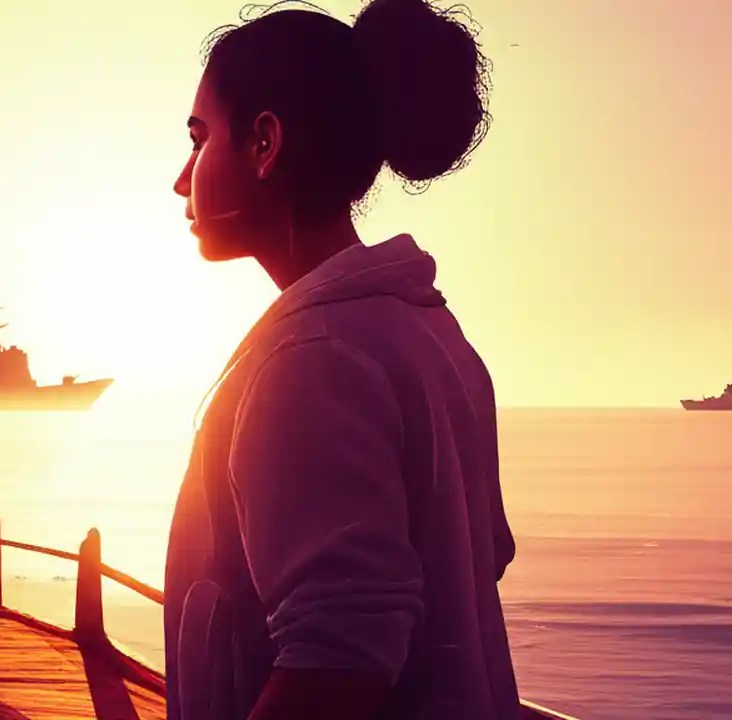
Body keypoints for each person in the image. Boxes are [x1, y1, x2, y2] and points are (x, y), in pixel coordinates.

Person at [164, 0, 520, 717]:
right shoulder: (428, 334)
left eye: (200, 139)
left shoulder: (310, 364)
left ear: (264, 144)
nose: (182, 177)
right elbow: (484, 556)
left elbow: (334, 669)